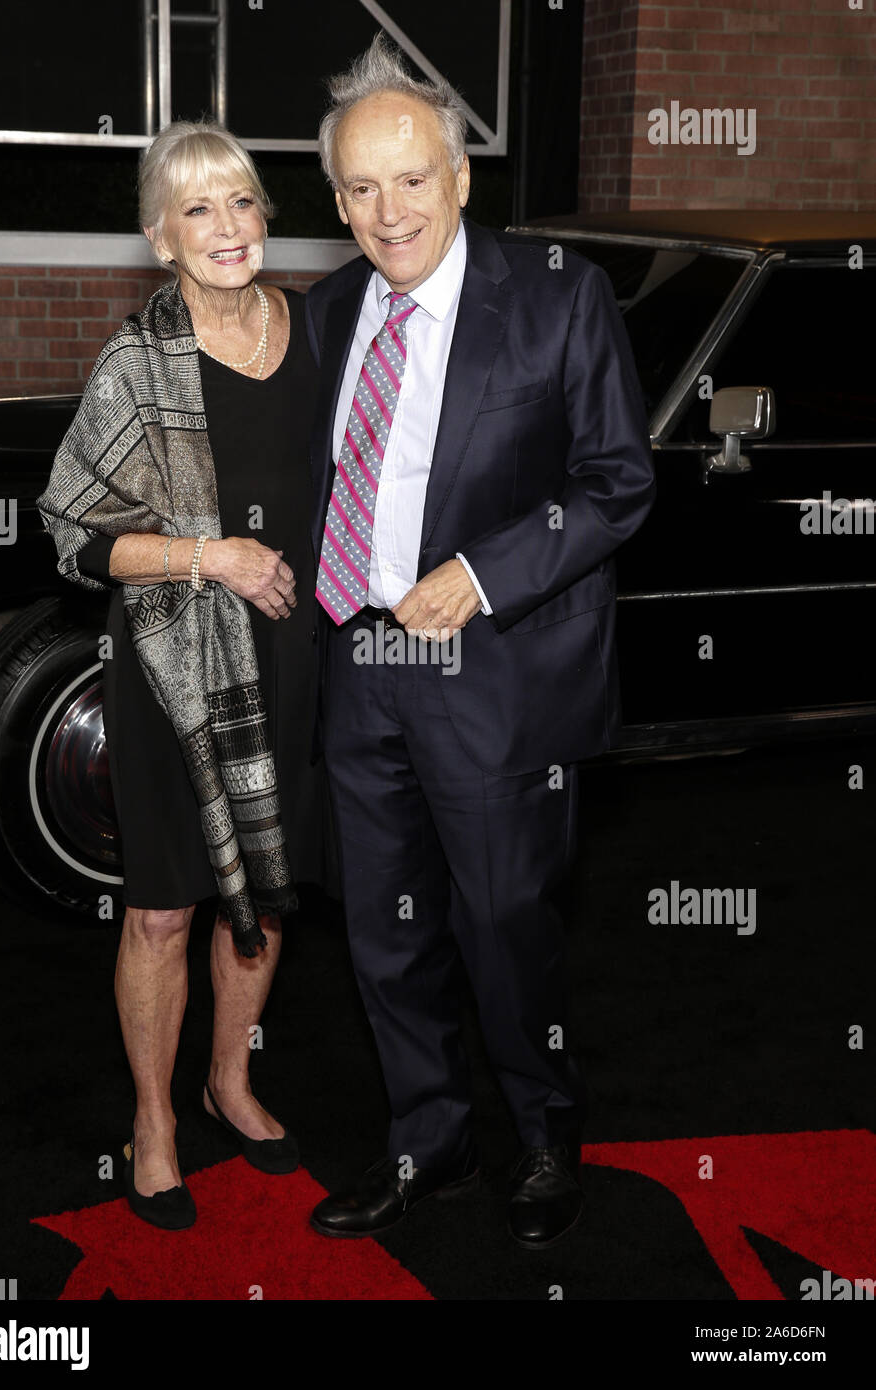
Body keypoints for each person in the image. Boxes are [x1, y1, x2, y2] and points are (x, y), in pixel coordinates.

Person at [305, 35, 655, 1248]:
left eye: (409, 179)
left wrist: (479, 574)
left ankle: (545, 1139)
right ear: (336, 197)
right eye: (358, 187)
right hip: (362, 668)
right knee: (383, 927)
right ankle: (428, 1142)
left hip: (495, 675)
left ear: (459, 177)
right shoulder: (330, 308)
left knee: (504, 927)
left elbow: (617, 485)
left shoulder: (557, 296)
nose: (385, 211)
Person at [37, 121, 332, 1230]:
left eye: (244, 202)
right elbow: (73, 533)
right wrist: (214, 556)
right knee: (162, 911)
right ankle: (153, 1120)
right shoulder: (133, 362)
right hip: (169, 669)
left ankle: (230, 1080)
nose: (226, 227)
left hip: (291, 651)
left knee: (261, 890)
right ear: (160, 235)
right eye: (198, 209)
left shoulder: (313, 335)